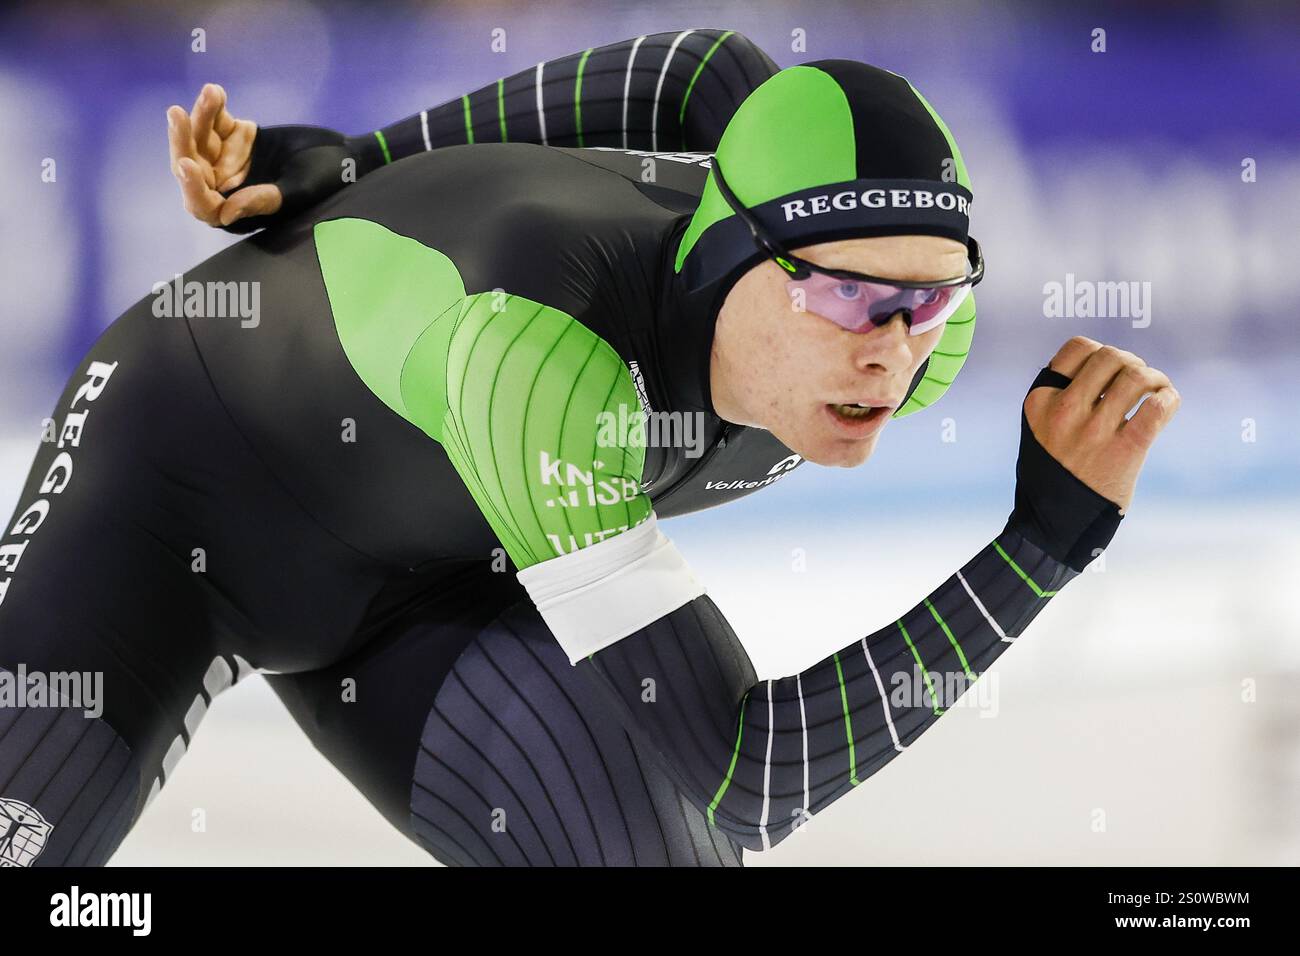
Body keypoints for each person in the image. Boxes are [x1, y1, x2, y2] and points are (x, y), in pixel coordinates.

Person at [0, 29, 1177, 867]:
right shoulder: (537, 349)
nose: (890, 352)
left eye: (926, 306)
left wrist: (361, 153)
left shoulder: (918, 324)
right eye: (849, 302)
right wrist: (1040, 544)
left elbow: (697, 72)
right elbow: (752, 776)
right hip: (173, 499)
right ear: (735, 257)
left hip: (449, 573)